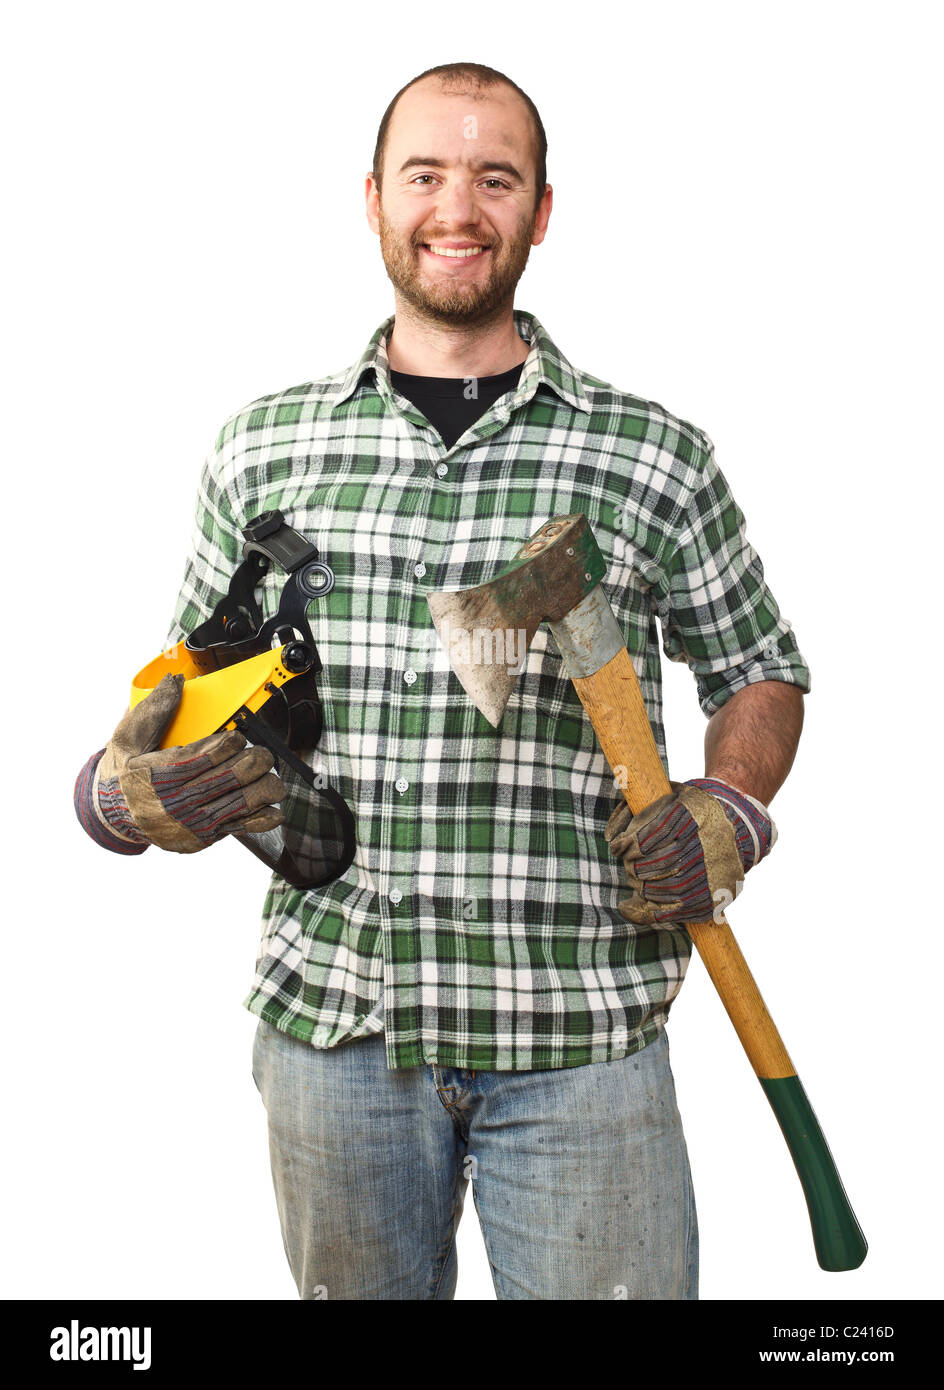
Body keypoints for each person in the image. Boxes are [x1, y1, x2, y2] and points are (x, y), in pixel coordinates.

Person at [75, 61, 809, 1301]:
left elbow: (758, 669)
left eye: (493, 176)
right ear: (372, 198)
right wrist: (113, 789)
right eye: (424, 173)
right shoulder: (263, 448)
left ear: (540, 208)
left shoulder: (652, 455)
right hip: (334, 1032)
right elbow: (185, 691)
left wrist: (730, 807)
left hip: (581, 1031)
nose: (455, 208)